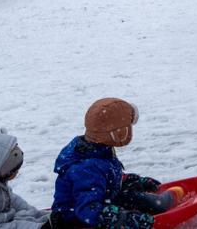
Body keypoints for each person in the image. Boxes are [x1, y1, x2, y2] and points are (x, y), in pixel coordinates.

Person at [51, 98, 183, 229]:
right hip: (76, 222)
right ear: (116, 133)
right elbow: (89, 211)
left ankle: (158, 204)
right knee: (125, 199)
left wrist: (130, 180)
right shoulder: (87, 167)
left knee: (127, 195)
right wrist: (129, 220)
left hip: (102, 201)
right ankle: (158, 205)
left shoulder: (99, 150)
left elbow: (107, 177)